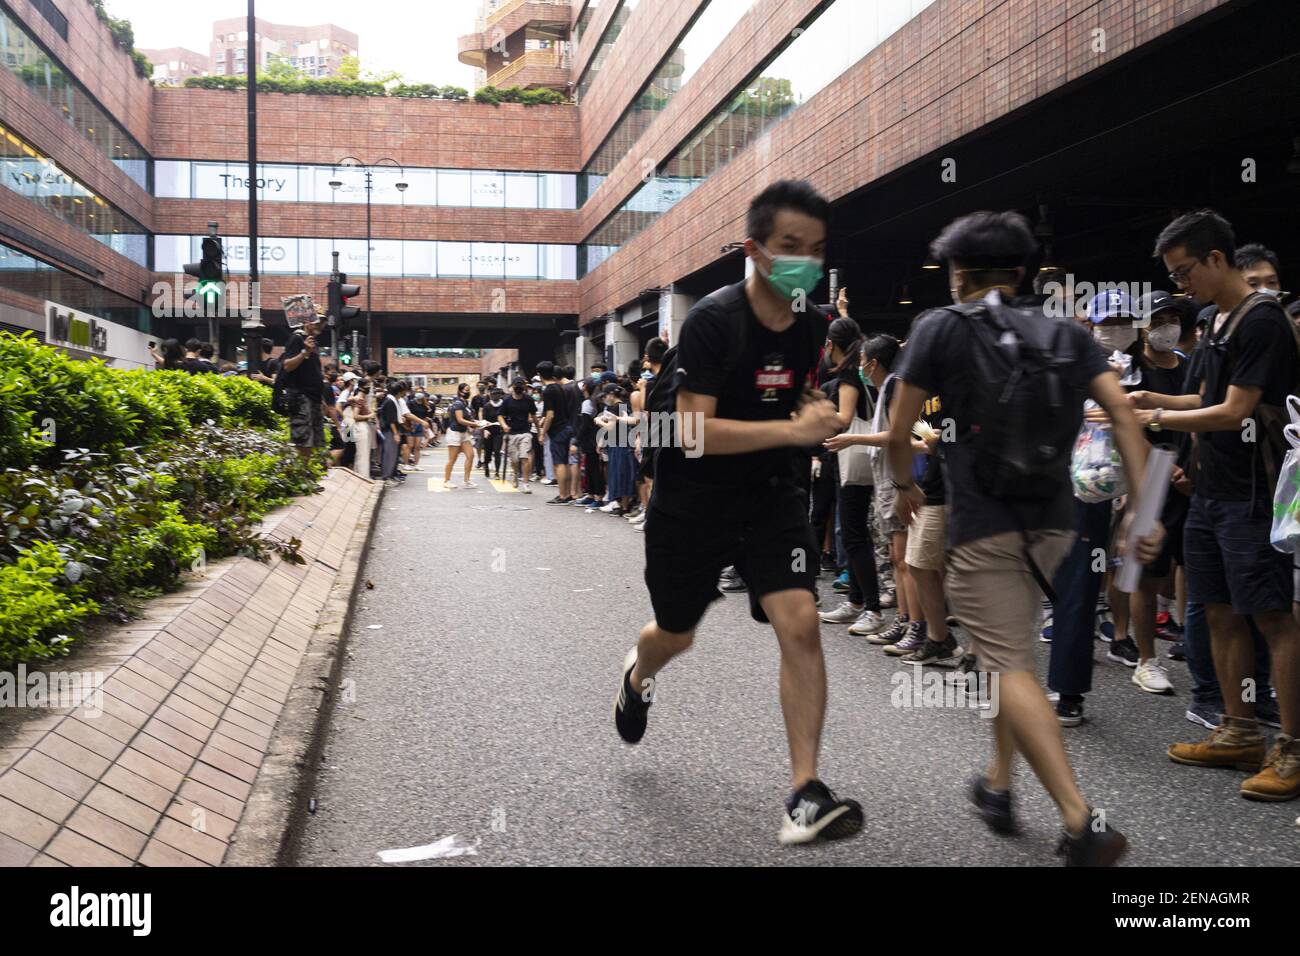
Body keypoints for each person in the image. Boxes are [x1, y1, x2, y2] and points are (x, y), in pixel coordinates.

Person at [886, 210, 1162, 865]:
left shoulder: (939, 328)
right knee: (1014, 659)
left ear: (958, 274)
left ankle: (1079, 821)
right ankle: (999, 784)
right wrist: (1137, 514)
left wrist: (903, 486)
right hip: (1056, 525)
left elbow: (900, 431)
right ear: (1020, 273)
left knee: (1006, 664)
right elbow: (1122, 413)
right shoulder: (1067, 333)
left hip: (983, 526)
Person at [616, 180, 863, 845]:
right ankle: (638, 678)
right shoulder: (713, 321)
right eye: (790, 248)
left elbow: (795, 393)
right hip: (692, 503)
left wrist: (807, 416)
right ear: (754, 249)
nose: (805, 262)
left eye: (815, 250)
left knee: (801, 620)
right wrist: (791, 432)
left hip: (770, 496)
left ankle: (805, 791)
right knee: (676, 634)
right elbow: (692, 434)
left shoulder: (812, 322)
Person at [1133, 210, 1300, 801]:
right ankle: (1239, 729)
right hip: (1210, 489)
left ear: (1216, 259)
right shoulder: (1214, 319)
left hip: (1253, 492)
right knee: (1221, 609)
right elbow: (1203, 396)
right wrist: (1144, 397)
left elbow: (1233, 411)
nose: (1182, 287)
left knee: (1274, 618)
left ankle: (1293, 749)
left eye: (1185, 273)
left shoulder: (1263, 321)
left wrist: (1155, 415)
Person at [816, 319, 889, 637]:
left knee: (855, 534)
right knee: (853, 530)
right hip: (850, 458)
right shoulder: (857, 370)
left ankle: (871, 608)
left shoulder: (848, 375)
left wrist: (813, 412)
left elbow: (844, 418)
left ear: (832, 345)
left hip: (851, 457)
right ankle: (857, 601)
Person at [277, 315, 327, 462]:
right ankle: (301, 478)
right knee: (303, 442)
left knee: (313, 443)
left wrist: (321, 399)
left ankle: (306, 476)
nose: (321, 326)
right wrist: (305, 352)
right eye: (318, 322)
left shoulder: (312, 342)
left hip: (314, 398)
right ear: (307, 322)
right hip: (301, 397)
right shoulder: (297, 339)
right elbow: (287, 366)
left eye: (323, 323)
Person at [538, 362, 576, 504]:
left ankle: (562, 495)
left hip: (557, 431)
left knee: (559, 463)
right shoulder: (559, 387)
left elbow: (550, 414)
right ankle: (567, 494)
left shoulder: (548, 390)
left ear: (540, 374)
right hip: (566, 428)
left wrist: (543, 432)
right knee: (565, 463)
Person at [443, 382, 485, 490]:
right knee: (452, 459)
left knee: (470, 455)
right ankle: (446, 481)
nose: (468, 392)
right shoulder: (458, 404)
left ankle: (467, 480)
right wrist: (475, 424)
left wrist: (480, 423)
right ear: (460, 391)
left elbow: (468, 419)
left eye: (469, 390)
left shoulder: (465, 403)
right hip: (455, 433)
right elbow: (460, 420)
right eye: (466, 390)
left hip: (464, 433)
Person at [499, 377, 537, 493]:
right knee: (514, 460)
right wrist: (504, 425)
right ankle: (515, 474)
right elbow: (500, 415)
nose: (519, 388)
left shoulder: (529, 400)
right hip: (511, 433)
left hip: (525, 432)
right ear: (513, 387)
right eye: (517, 386)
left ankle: (525, 483)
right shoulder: (507, 401)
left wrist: (540, 431)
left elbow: (534, 416)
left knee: (524, 457)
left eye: (521, 386)